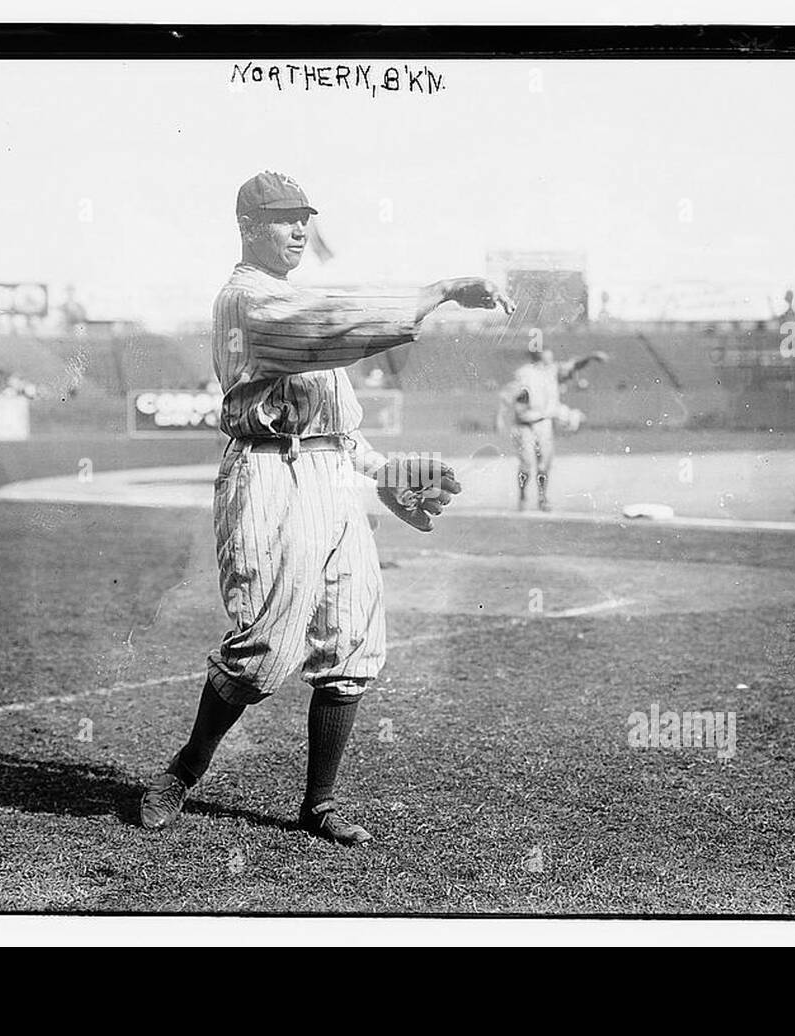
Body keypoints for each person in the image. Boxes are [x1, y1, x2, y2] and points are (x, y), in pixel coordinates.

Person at [139, 171, 515, 845]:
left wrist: (381, 472)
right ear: (248, 229)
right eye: (282, 220)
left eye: (304, 218)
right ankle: (186, 767)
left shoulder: (288, 295)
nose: (298, 230)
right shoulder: (246, 298)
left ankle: (320, 804)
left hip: (329, 477)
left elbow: (336, 423)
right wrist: (443, 292)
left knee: (353, 642)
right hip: (268, 476)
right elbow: (332, 329)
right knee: (264, 654)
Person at [504, 345, 609, 511]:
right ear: (538, 356)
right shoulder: (524, 373)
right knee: (526, 465)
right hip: (525, 424)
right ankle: (523, 496)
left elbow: (574, 365)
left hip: (544, 424)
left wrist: (591, 357)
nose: (551, 359)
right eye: (547, 356)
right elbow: (510, 395)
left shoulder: (553, 371)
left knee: (544, 465)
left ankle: (542, 498)